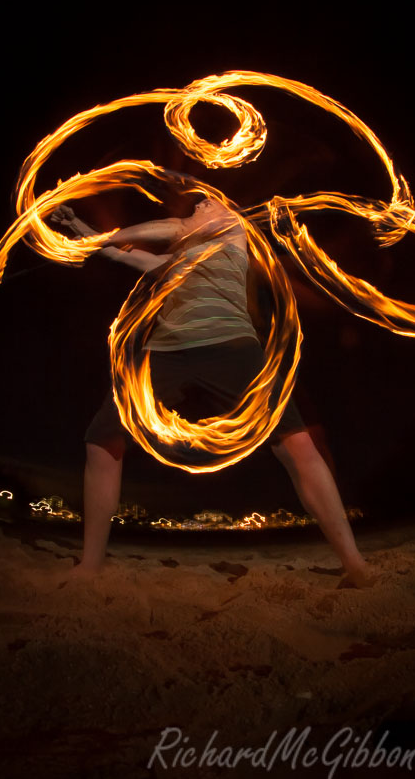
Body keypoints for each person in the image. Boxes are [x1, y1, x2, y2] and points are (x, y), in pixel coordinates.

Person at [51, 197, 378, 588]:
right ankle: (90, 565)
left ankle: (354, 562)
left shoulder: (231, 233)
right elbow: (118, 254)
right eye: (197, 205)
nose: (203, 201)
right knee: (102, 441)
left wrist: (119, 231)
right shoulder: (169, 263)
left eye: (209, 203)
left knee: (298, 446)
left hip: (232, 350)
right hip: (166, 355)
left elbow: (171, 227)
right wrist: (78, 226)